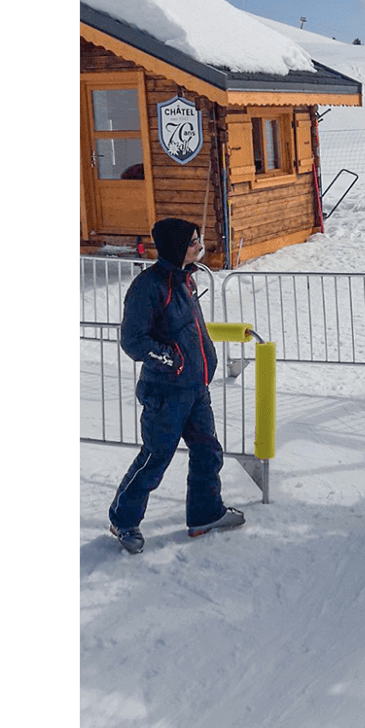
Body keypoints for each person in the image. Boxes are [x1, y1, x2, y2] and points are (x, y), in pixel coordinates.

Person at [108, 218, 245, 554]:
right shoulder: (149, 287)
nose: (199, 245)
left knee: (208, 452)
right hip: (166, 391)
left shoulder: (187, 280)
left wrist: (199, 365)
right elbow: (133, 340)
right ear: (175, 247)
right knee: (156, 458)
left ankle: (205, 514)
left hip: (195, 389)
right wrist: (173, 359)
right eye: (193, 241)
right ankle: (123, 521)